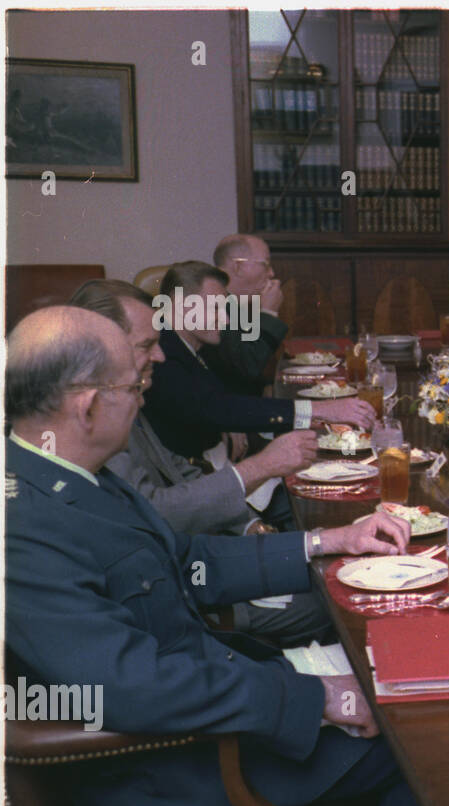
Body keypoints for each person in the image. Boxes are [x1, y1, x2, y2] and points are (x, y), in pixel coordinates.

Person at [4, 307, 445, 806]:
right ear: (87, 405)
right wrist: (315, 699)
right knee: (432, 749)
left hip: (208, 719)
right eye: (134, 386)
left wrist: (328, 540)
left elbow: (185, 564)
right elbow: (132, 687)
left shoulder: (67, 472)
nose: (144, 397)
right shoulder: (25, 527)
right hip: (169, 769)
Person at [70, 279, 331, 647]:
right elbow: (157, 516)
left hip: (205, 556)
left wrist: (256, 526)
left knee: (332, 573)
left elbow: (178, 472)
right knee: (334, 600)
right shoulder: (91, 429)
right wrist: (263, 467)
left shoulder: (129, 399)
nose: (160, 355)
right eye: (147, 345)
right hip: (191, 593)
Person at [143, 260, 374, 462]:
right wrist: (321, 409)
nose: (225, 321)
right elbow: (216, 408)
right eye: (215, 309)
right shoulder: (163, 355)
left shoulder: (187, 343)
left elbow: (219, 402)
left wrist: (226, 422)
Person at [204, 233, 291, 396]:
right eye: (265, 265)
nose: (271, 273)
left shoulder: (236, 303)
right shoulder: (214, 306)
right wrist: (269, 313)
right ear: (238, 267)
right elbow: (248, 366)